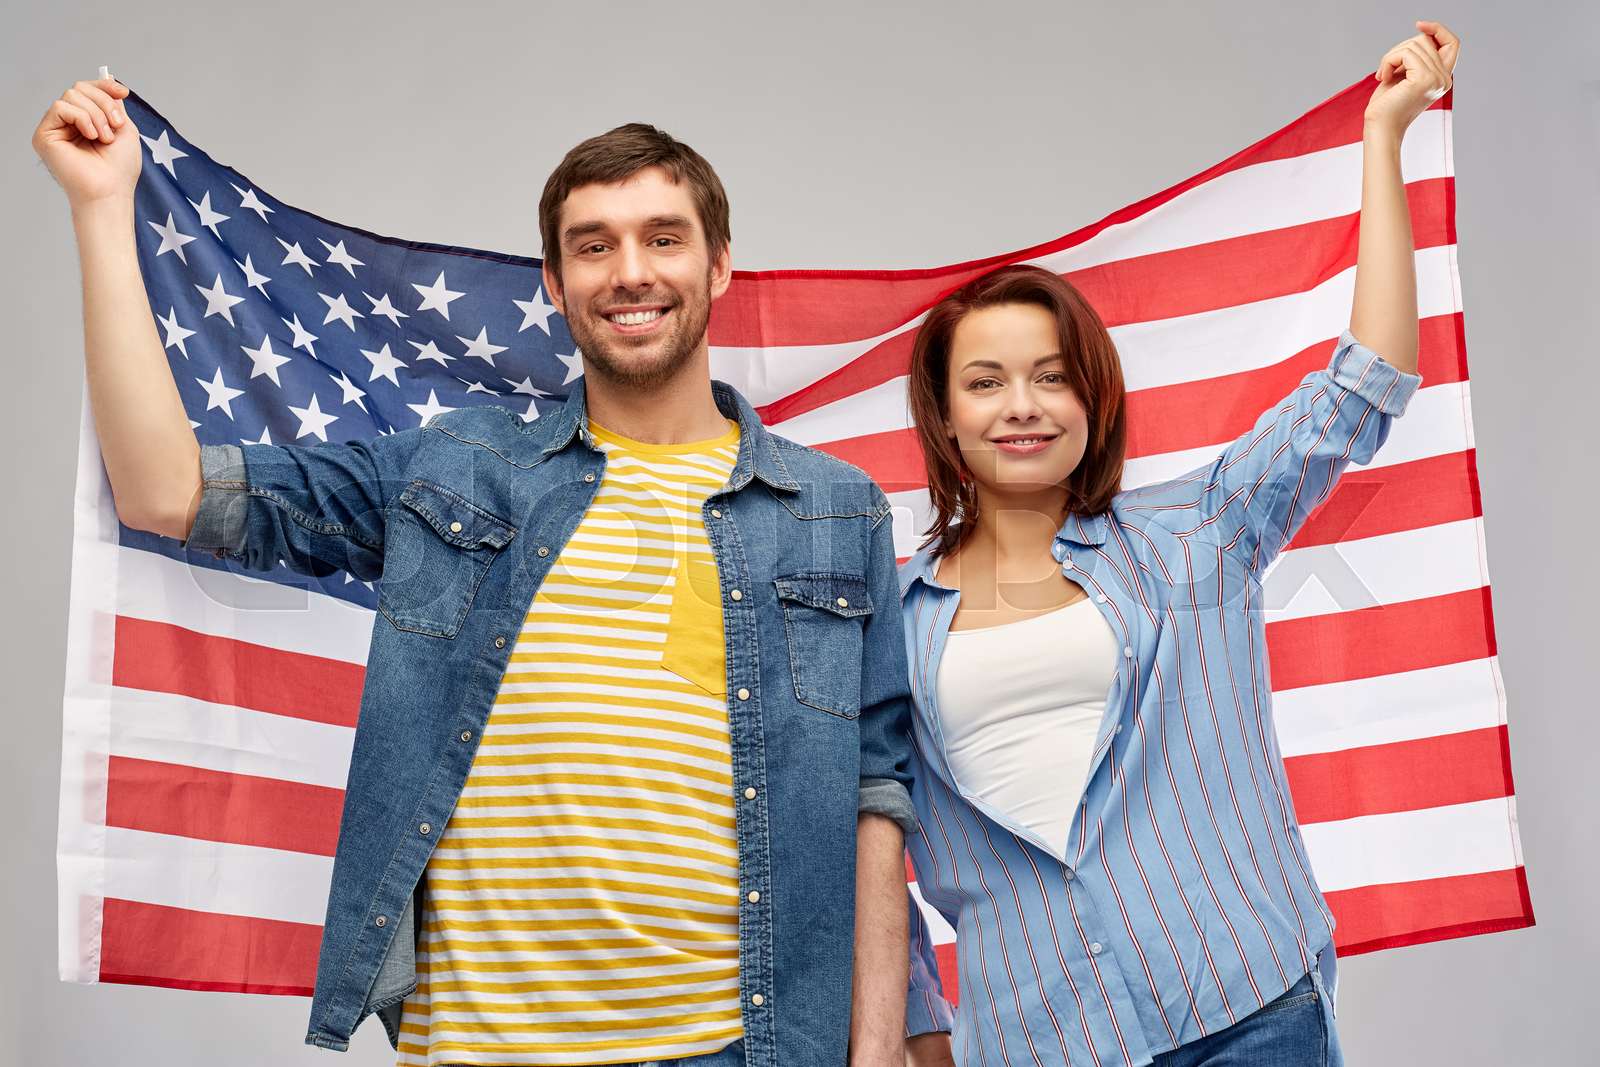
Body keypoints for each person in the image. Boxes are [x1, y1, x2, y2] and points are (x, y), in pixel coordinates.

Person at [32, 89, 917, 1065]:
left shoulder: (835, 508)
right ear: (554, 278)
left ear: (717, 263)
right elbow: (169, 490)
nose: (631, 271)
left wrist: (873, 1055)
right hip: (482, 1047)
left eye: (663, 238)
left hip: (735, 1046)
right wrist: (101, 205)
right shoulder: (453, 467)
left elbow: (874, 801)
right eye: (594, 244)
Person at [897, 20, 1459, 1067]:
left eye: (1051, 374)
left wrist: (1383, 138)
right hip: (1033, 1042)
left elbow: (1365, 380)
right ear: (943, 414)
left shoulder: (1198, 530)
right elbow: (867, 840)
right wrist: (922, 1039)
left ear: (1092, 396)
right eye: (985, 381)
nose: (1022, 405)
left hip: (1247, 1007)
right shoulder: (882, 621)